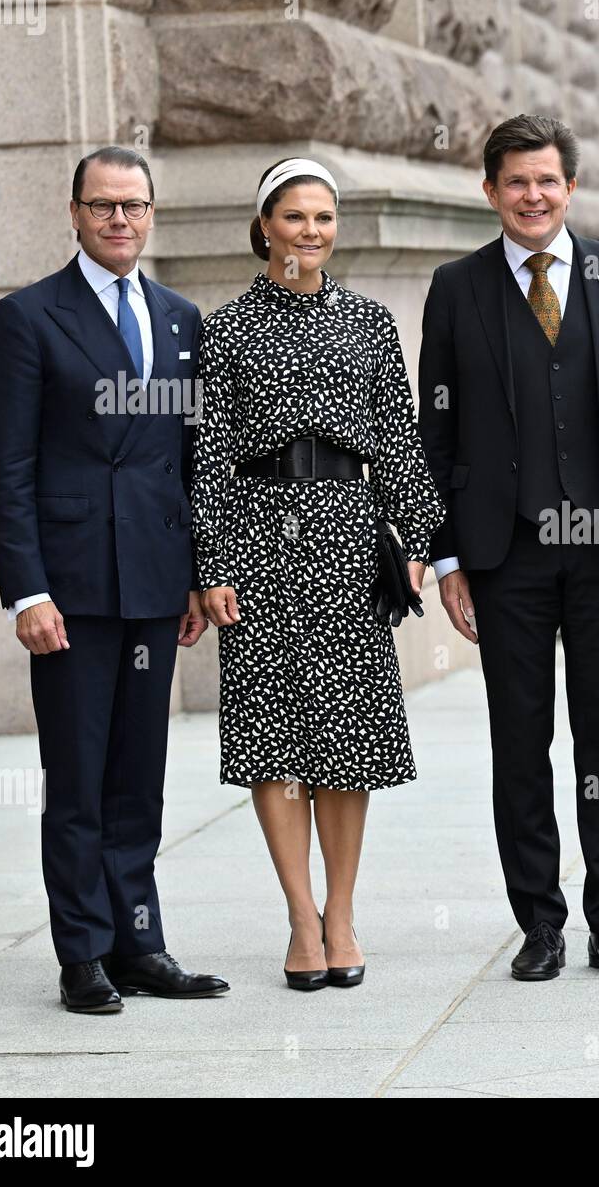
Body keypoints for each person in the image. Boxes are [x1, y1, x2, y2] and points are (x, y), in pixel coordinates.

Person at [418, 115, 599, 982]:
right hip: (508, 556)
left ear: (571, 188)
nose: (533, 196)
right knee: (519, 744)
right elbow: (438, 433)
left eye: (547, 181)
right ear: (490, 190)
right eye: (516, 182)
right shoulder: (456, 288)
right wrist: (448, 557)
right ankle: (539, 922)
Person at [0, 145, 226, 1014]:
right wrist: (27, 590)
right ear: (75, 212)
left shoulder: (182, 318)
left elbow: (191, 460)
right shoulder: (27, 316)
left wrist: (199, 574)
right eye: (103, 205)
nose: (120, 220)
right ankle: (82, 952)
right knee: (79, 778)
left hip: (155, 583)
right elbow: (5, 467)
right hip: (73, 590)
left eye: (134, 205)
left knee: (138, 778)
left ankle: (140, 942)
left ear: (153, 212)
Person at [191, 157, 445, 991]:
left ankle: (343, 912)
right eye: (295, 216)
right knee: (274, 732)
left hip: (347, 535)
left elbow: (400, 440)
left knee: (348, 737)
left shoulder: (370, 322)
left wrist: (418, 537)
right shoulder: (224, 329)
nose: (310, 231)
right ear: (264, 224)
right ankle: (301, 918)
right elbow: (210, 456)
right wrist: (213, 562)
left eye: (324, 217)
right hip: (260, 537)